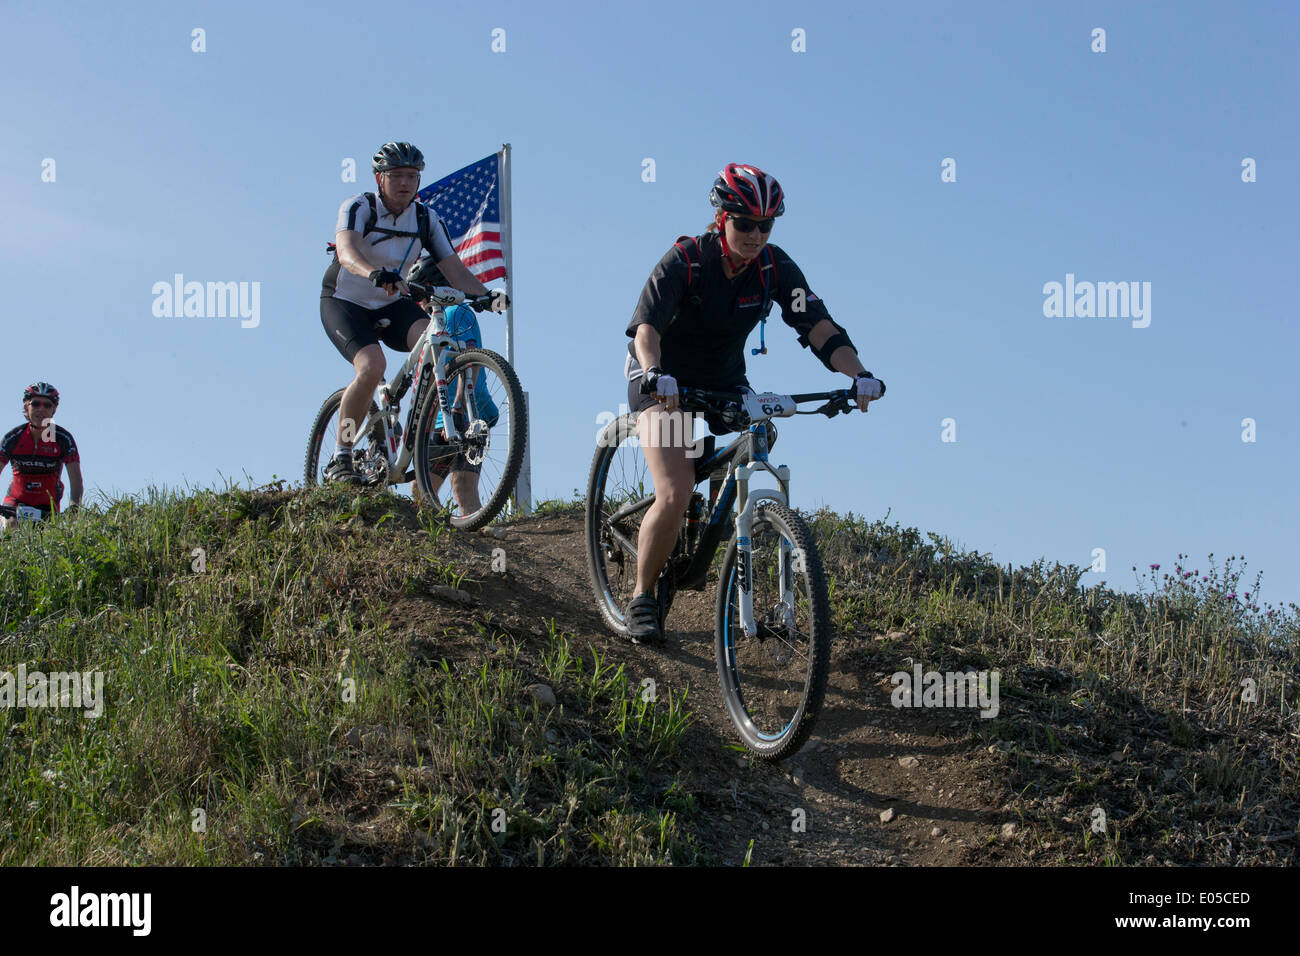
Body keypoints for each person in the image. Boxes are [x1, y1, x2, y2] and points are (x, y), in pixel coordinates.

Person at [621, 163, 885, 644]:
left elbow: (820, 327)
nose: (755, 234)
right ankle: (642, 595)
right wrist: (657, 373)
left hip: (723, 382)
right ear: (721, 217)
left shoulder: (774, 267)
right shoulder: (686, 260)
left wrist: (860, 374)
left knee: (761, 429)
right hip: (663, 378)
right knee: (675, 493)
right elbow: (647, 330)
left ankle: (708, 502)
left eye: (766, 225)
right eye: (745, 223)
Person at [320, 141, 493, 484]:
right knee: (371, 367)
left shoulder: (427, 218)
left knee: (437, 343)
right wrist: (372, 272)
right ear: (378, 178)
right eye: (396, 175)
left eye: (412, 176)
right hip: (345, 301)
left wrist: (488, 295)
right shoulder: (358, 207)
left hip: (391, 301)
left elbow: (455, 268)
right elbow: (346, 250)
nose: (405, 182)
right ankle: (342, 457)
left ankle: (409, 419)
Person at [404, 256, 500, 515]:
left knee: (442, 489)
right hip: (453, 419)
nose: (419, 303)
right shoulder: (437, 321)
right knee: (443, 491)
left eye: (419, 294)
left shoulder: (455, 312)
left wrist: (457, 406)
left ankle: (456, 543)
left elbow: (470, 360)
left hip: (457, 416)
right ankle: (463, 544)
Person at [0, 382, 82, 530]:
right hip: (16, 501)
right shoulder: (13, 438)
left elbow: (76, 481)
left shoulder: (63, 439)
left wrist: (74, 508)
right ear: (26, 407)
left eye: (47, 405)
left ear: (54, 410)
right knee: (10, 526)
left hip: (48, 506)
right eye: (36, 404)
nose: (41, 409)